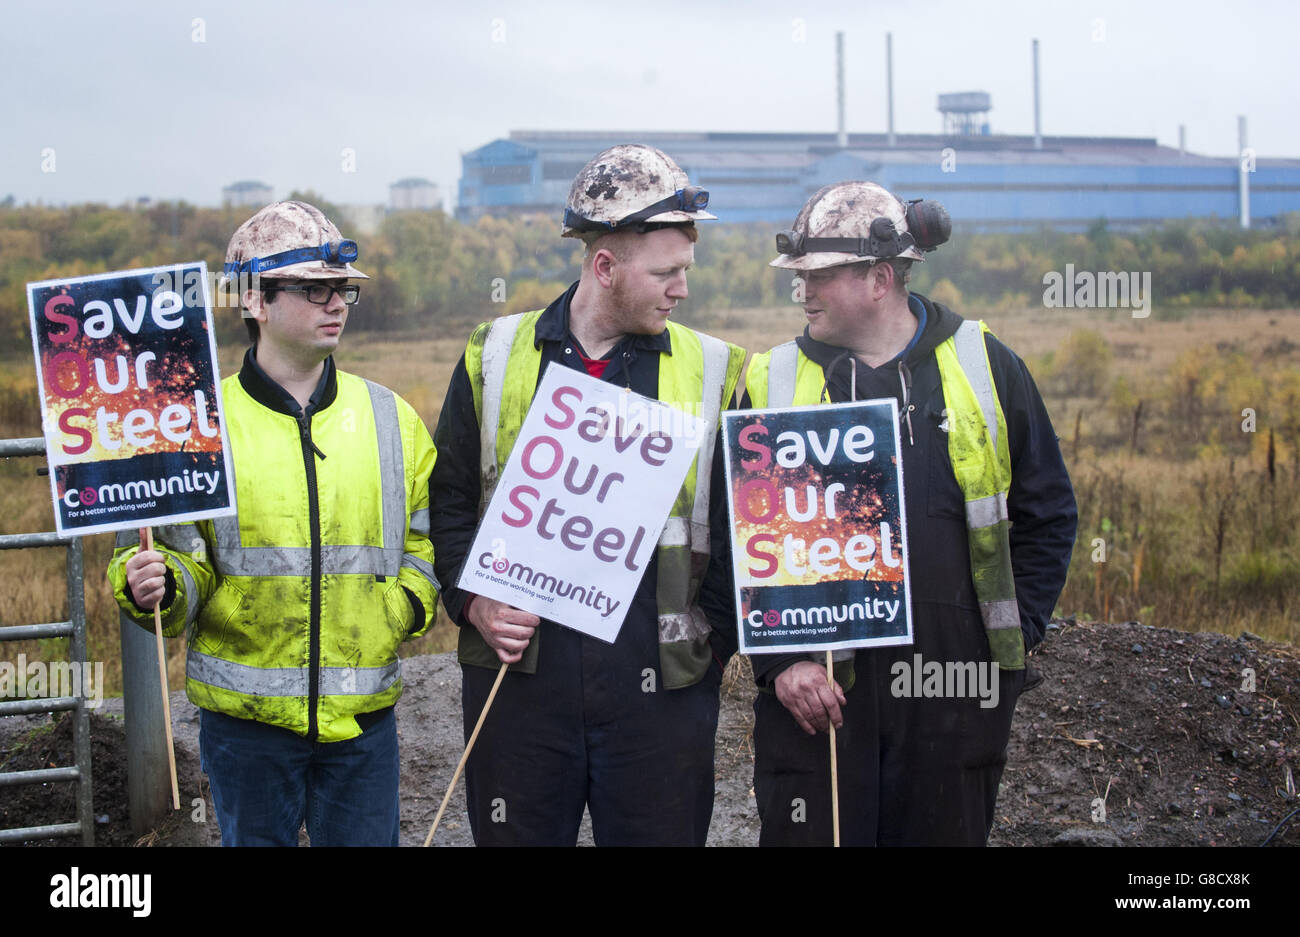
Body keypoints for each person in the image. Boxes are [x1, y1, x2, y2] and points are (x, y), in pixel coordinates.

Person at [431, 144, 745, 846]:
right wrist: (473, 601)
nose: (682, 290)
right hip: (519, 689)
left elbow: (737, 532)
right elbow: (448, 504)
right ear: (605, 267)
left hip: (658, 698)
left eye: (685, 271)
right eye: (666, 273)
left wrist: (707, 652)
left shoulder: (715, 370)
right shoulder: (495, 353)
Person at [744, 181, 1076, 846]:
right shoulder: (772, 380)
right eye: (799, 276)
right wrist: (783, 665)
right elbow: (741, 547)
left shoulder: (985, 365)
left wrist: (1011, 635)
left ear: (880, 278)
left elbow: (1050, 514)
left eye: (820, 277)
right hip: (824, 700)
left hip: (954, 694)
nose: (801, 292)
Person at [108, 200, 439, 846]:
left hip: (363, 725)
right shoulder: (196, 424)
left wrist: (403, 608)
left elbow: (427, 542)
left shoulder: (390, 419)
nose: (336, 303)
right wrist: (160, 584)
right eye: (315, 288)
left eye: (342, 288)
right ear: (255, 300)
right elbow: (182, 560)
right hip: (246, 731)